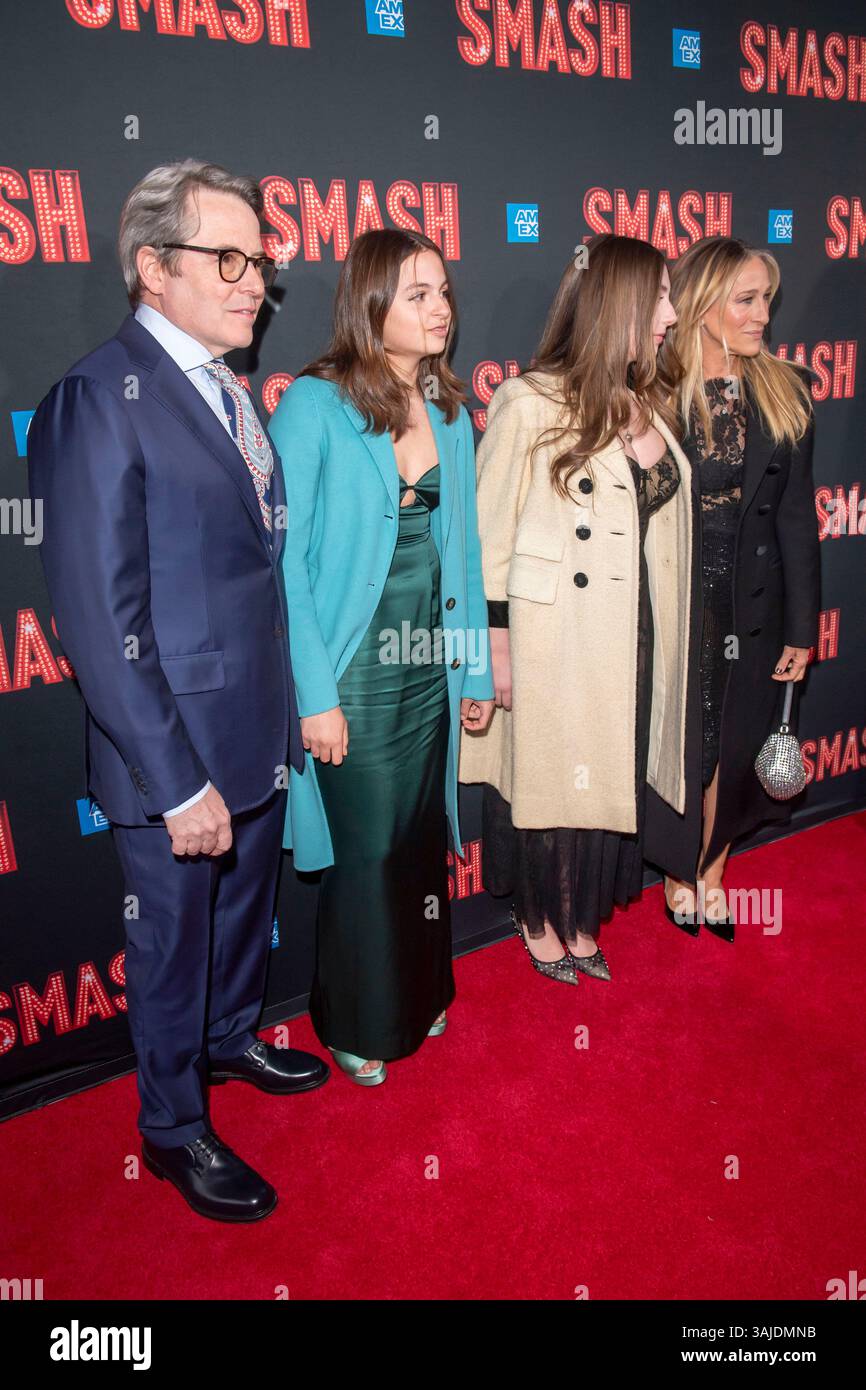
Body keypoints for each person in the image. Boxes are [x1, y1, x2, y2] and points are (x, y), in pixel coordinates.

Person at [26, 159, 329, 1225]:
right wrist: (173, 778)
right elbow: (97, 623)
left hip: (251, 730)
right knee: (169, 943)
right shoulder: (96, 398)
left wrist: (280, 720)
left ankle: (228, 1038)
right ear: (153, 267)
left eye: (262, 262)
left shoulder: (228, 387)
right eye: (229, 259)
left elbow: (247, 572)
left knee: (240, 919)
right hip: (171, 756)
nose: (256, 284)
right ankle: (172, 1129)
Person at [269, 229, 495, 1084]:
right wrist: (313, 695)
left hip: (429, 664)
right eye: (418, 295)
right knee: (365, 852)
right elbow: (285, 565)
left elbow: (463, 555)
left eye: (443, 292)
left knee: (414, 841)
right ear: (372, 308)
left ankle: (421, 989)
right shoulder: (315, 406)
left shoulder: (449, 410)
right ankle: (359, 1018)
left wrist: (471, 668)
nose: (440, 309)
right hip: (352, 670)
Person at [459, 234, 691, 981]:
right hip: (556, 637)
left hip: (636, 632)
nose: (672, 312)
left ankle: (580, 917)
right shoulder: (528, 403)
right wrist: (492, 653)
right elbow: (485, 540)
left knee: (606, 772)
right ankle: (541, 916)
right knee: (554, 784)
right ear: (617, 302)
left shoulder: (645, 400)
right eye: (659, 295)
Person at [654, 236, 820, 939]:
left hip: (754, 604)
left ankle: (714, 868)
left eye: (766, 302)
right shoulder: (655, 393)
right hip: (677, 604)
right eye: (746, 300)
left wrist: (802, 629)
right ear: (702, 305)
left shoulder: (787, 390)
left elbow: (796, 517)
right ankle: (674, 864)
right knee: (685, 741)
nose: (762, 317)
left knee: (736, 740)